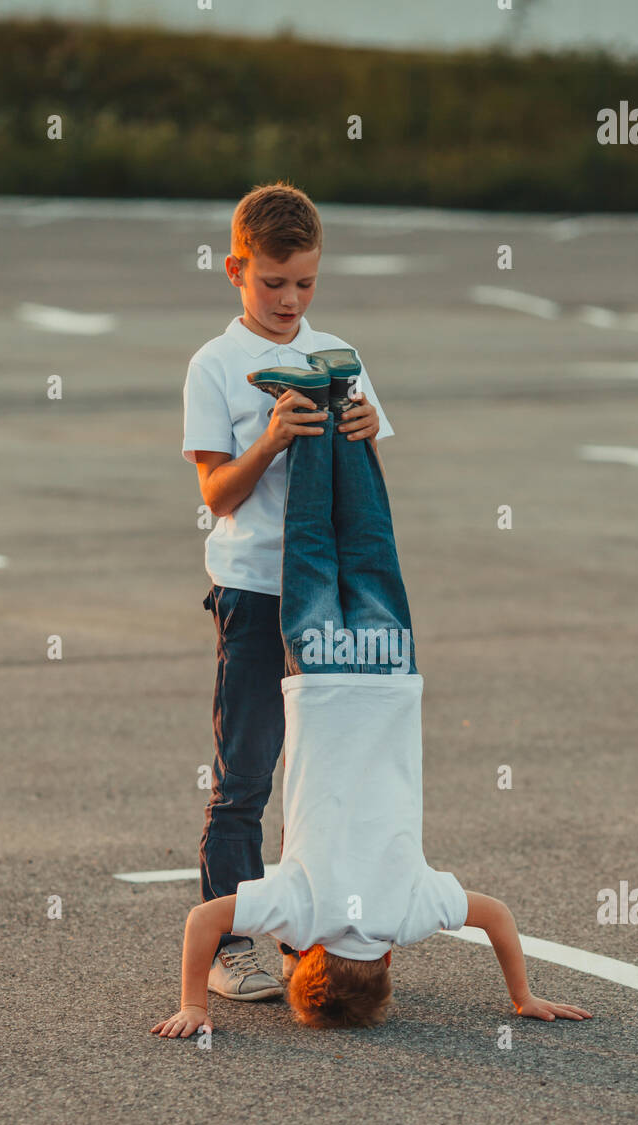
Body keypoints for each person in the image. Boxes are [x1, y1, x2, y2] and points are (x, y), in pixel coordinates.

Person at [154, 358, 593, 1037]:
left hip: (390, 678)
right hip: (322, 680)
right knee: (310, 542)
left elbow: (497, 915)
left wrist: (523, 997)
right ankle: (309, 405)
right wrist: (192, 1004)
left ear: (388, 960)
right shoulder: (305, 914)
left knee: (369, 544)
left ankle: (343, 397)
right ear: (309, 959)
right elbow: (203, 919)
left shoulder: (407, 913)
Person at [181, 181, 393, 1002]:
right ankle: (229, 942)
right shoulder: (215, 365)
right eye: (273, 283)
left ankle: (317, 931)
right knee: (246, 775)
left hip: (332, 591)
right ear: (236, 268)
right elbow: (215, 495)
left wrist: (370, 431)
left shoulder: (338, 349)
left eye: (305, 283)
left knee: (329, 769)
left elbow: (367, 488)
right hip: (255, 591)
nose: (290, 300)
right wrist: (269, 440)